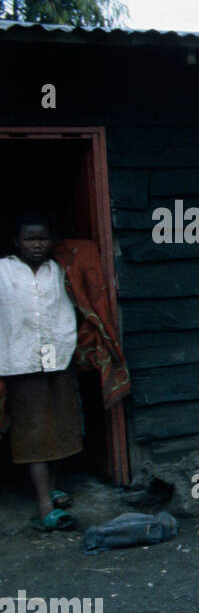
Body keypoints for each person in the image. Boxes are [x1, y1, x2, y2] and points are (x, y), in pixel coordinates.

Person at [0, 213, 82, 531]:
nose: (37, 244)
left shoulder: (60, 270)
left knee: (60, 424)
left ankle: (53, 487)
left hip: (58, 357)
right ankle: (44, 505)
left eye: (42, 238)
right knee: (33, 433)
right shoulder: (4, 271)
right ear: (16, 242)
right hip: (20, 362)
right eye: (30, 239)